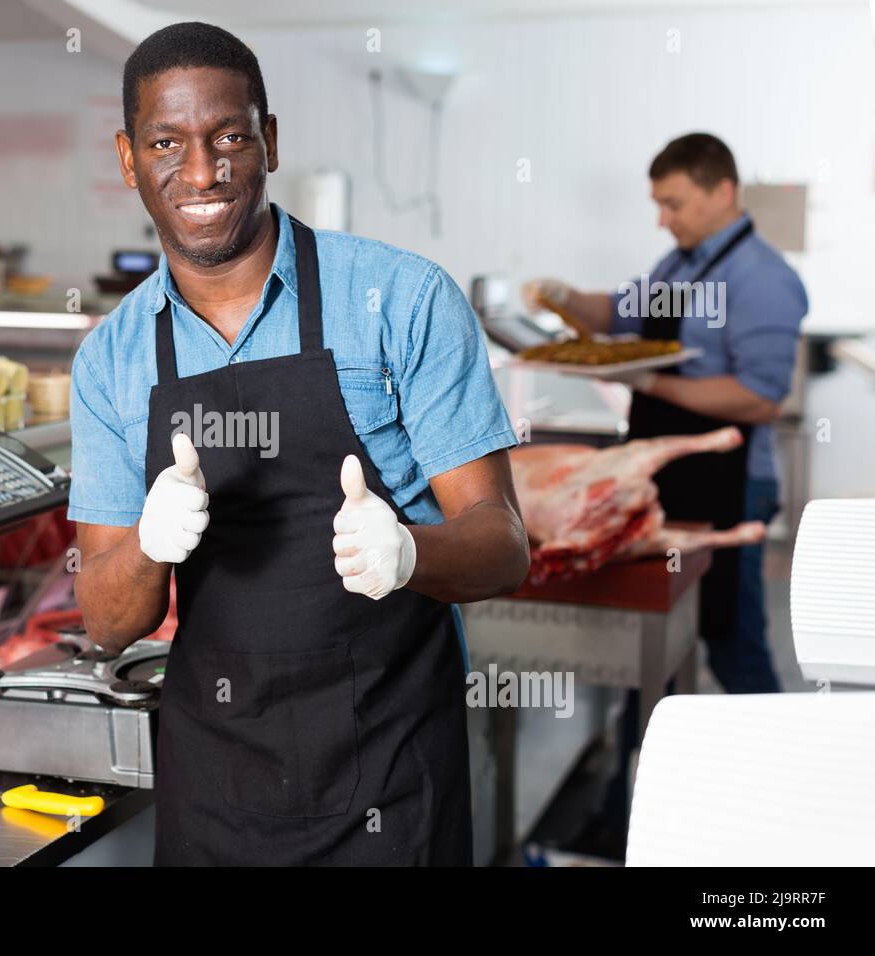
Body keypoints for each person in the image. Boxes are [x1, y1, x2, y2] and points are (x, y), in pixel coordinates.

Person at [68, 21, 529, 866]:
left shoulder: (404, 298)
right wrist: (147, 547)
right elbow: (103, 618)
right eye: (167, 143)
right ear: (130, 161)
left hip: (390, 766)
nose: (202, 171)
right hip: (217, 778)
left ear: (269, 142)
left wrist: (410, 554)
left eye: (230, 137)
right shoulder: (112, 358)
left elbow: (503, 545)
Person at [523, 132, 808, 856]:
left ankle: (787, 807)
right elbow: (613, 313)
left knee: (733, 644)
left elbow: (760, 396)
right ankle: (629, 815)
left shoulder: (761, 278)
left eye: (673, 202)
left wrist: (653, 383)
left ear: (722, 192)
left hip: (729, 486)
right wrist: (561, 300)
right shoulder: (680, 264)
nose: (662, 218)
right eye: (657, 204)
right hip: (668, 484)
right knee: (644, 653)